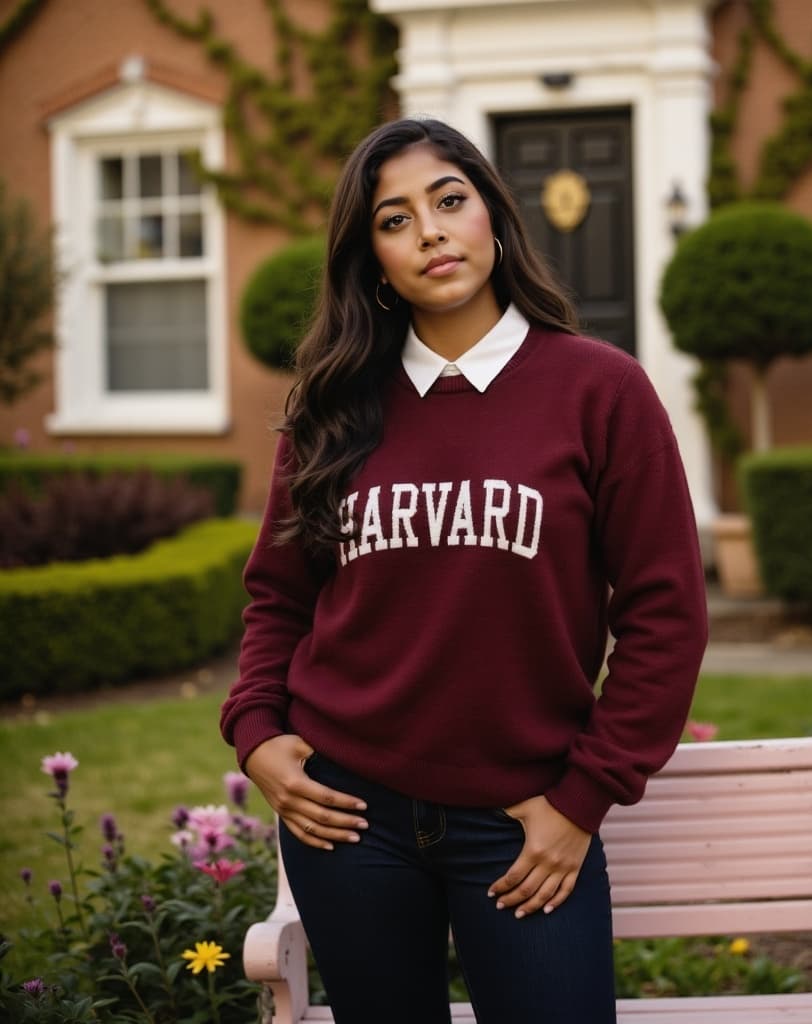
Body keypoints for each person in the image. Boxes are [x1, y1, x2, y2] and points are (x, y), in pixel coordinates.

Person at [220, 116, 708, 1024]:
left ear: (493, 215)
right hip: (348, 817)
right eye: (394, 219)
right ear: (372, 259)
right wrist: (257, 729)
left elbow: (666, 615)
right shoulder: (333, 409)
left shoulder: (600, 391)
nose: (431, 231)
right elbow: (279, 597)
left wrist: (584, 797)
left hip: (524, 822)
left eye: (449, 201)